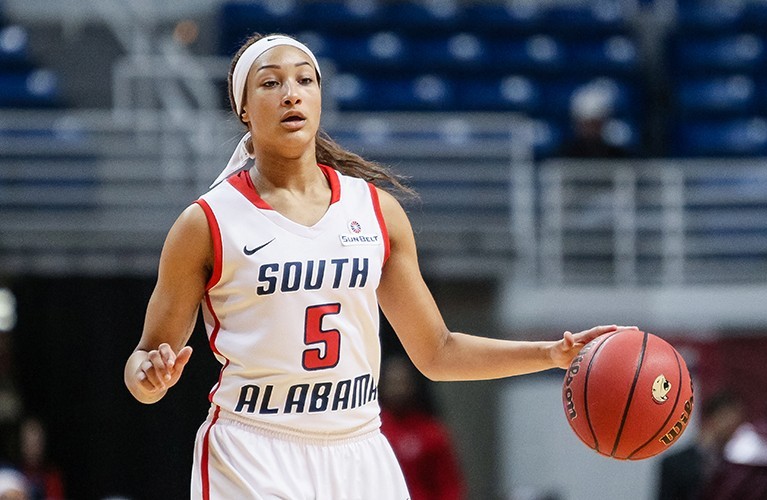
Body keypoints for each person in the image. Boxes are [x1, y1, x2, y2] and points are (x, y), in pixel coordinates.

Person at [123, 33, 618, 499]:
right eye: (271, 83)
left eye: (305, 80)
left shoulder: (375, 210)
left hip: (360, 448)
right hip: (253, 449)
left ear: (320, 98)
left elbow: (438, 351)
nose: (291, 94)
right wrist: (149, 376)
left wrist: (552, 353)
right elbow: (143, 363)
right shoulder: (206, 222)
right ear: (244, 110)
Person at [702, 366, 767, 500]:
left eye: (732, 414)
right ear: (710, 420)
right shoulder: (748, 451)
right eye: (723, 416)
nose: (729, 421)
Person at [379, 354, 465, 500]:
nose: (397, 389)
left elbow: (449, 487)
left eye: (402, 383)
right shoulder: (372, 430)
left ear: (412, 386)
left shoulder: (432, 433)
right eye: (392, 383)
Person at [656, 390, 744, 500]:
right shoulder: (674, 463)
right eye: (728, 422)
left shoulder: (733, 466)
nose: (733, 430)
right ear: (711, 418)